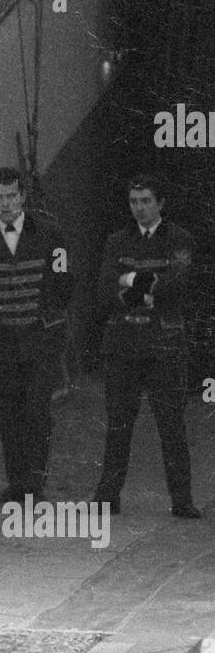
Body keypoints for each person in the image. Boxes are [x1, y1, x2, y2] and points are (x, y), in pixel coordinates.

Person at [93, 176, 201, 519]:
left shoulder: (179, 239)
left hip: (164, 345)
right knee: (118, 425)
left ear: (160, 203)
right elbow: (103, 290)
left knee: (171, 425)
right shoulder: (117, 240)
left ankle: (182, 500)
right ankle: (107, 497)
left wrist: (128, 281)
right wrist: (143, 285)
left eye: (146, 201)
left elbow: (178, 285)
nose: (139, 208)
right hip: (123, 344)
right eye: (134, 201)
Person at [0, 167, 74, 504]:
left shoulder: (51, 234)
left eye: (11, 195)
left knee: (37, 412)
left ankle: (35, 487)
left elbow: (64, 283)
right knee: (10, 415)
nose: (5, 203)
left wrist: (39, 315)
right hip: (3, 342)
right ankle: (17, 485)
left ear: (23, 196)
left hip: (41, 340)